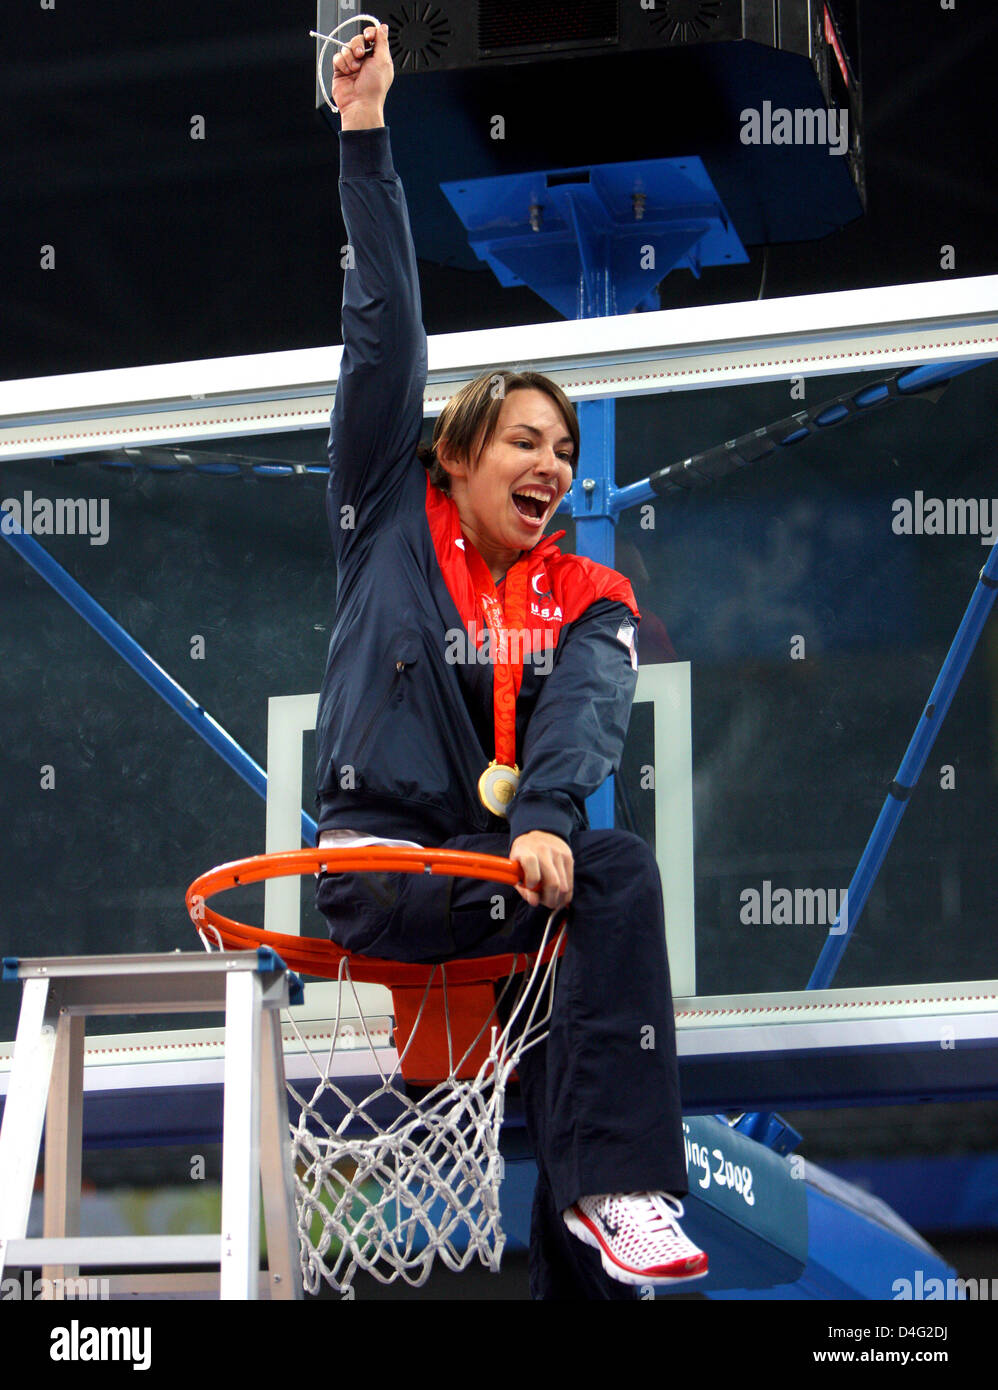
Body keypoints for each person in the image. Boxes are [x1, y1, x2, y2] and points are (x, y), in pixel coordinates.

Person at [313, 22, 708, 1300]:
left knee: (605, 885)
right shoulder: (385, 507)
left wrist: (545, 814)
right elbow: (384, 334)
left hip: (492, 878)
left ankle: (608, 1203)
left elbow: (587, 716)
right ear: (458, 451)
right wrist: (366, 135)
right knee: (574, 902)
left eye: (567, 450)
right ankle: (604, 1193)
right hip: (382, 871)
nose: (553, 467)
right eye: (526, 440)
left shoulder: (582, 593)